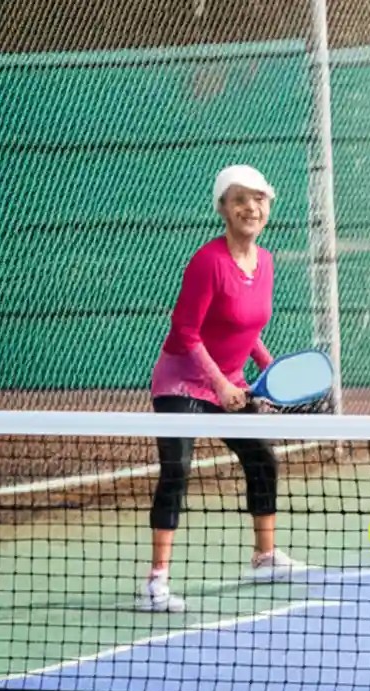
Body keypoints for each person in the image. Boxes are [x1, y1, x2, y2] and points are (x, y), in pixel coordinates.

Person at [138, 164, 313, 613]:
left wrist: (270, 370)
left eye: (259, 199)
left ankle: (265, 557)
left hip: (230, 381)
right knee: (176, 470)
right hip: (183, 379)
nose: (250, 207)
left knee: (261, 457)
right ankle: (156, 583)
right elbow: (184, 333)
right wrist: (218, 383)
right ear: (223, 208)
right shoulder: (207, 262)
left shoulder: (266, 262)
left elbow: (245, 326)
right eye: (240, 200)